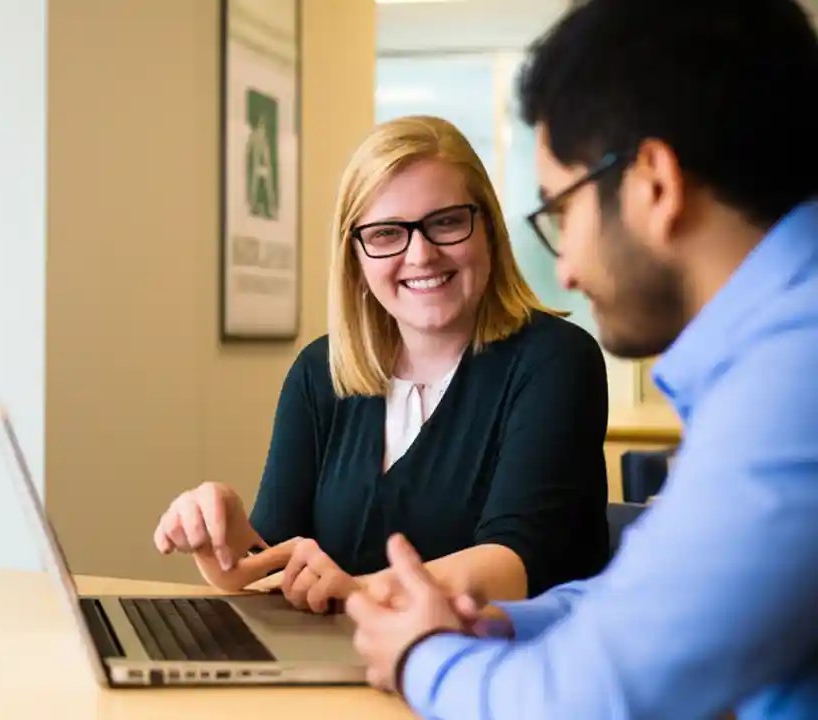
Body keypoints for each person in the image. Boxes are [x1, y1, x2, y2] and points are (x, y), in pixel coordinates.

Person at [344, 1, 818, 718]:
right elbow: (659, 596)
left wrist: (419, 655)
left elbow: (588, 701)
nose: (563, 267)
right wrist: (502, 625)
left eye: (562, 212)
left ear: (654, 185)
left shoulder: (794, 382)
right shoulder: (777, 353)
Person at [153, 115, 610, 613]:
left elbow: (520, 562)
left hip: (502, 671)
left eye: (446, 222)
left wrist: (362, 592)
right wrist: (224, 540)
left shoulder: (555, 360)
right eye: (387, 233)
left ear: (488, 229)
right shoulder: (320, 373)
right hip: (348, 673)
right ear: (356, 256)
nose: (421, 254)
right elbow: (281, 564)